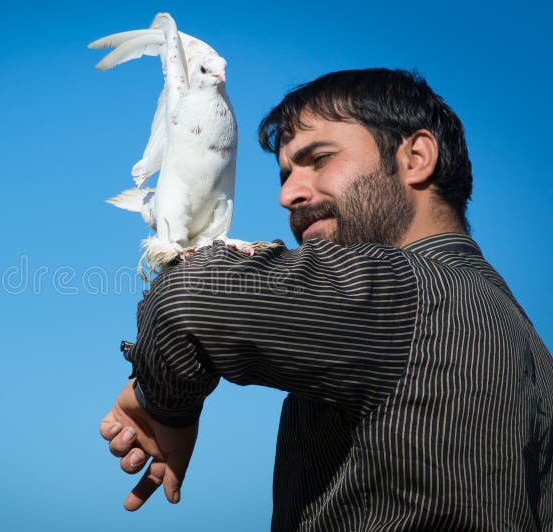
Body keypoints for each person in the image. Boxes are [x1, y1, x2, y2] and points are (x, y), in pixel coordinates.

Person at [99, 68, 553, 530]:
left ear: (416, 157)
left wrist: (164, 405)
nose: (287, 194)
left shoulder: (408, 292)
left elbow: (189, 293)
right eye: (286, 173)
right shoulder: (528, 347)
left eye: (318, 159)